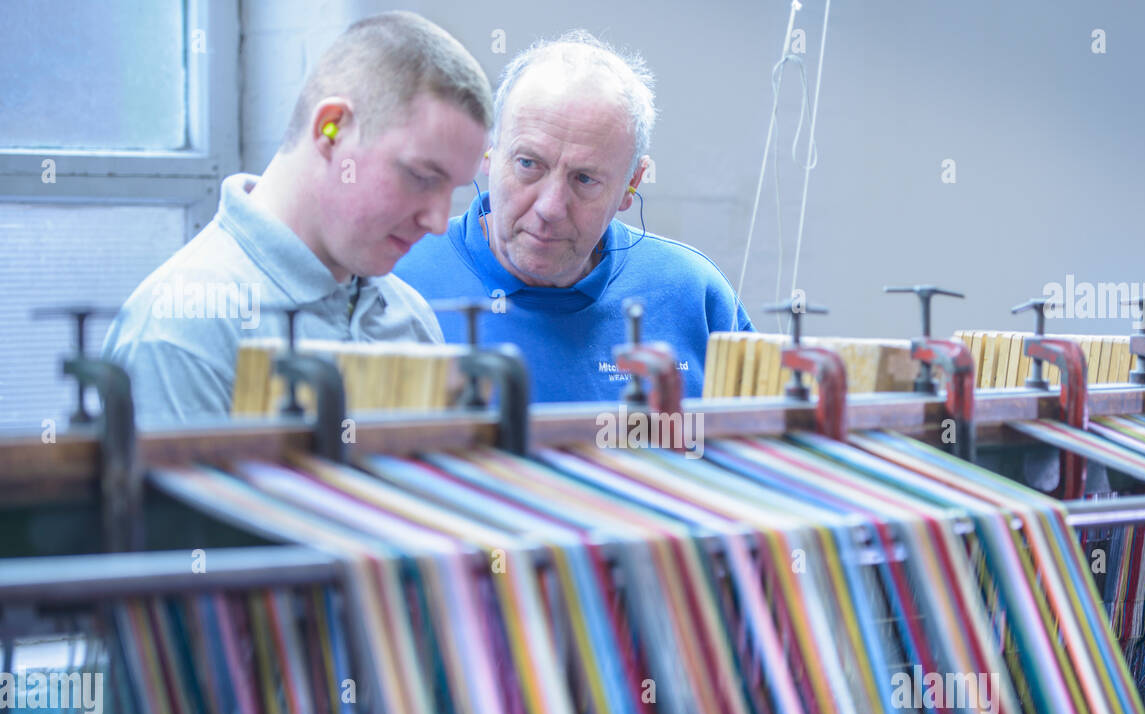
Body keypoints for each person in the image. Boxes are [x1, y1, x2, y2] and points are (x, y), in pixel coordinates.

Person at [102, 12, 493, 423]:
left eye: (453, 190)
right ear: (332, 129)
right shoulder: (181, 329)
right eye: (420, 176)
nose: (436, 222)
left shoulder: (409, 318)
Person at [393, 30, 754, 404]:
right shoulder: (395, 278)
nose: (550, 207)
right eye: (529, 164)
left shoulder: (692, 294)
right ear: (488, 152)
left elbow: (767, 447)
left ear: (632, 184)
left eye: (584, 179)